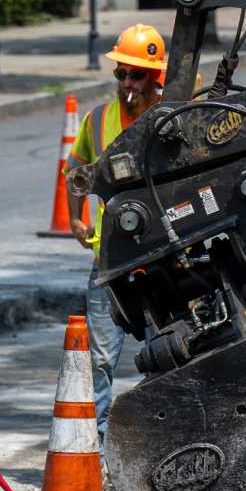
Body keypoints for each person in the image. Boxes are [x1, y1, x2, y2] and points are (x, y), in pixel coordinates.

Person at [66, 22, 167, 439]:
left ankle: (158, 434)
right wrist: (75, 216)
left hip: (163, 256)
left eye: (136, 73)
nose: (127, 82)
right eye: (121, 73)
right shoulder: (98, 120)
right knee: (101, 358)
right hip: (109, 256)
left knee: (164, 352)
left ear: (156, 75)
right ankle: (97, 443)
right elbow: (76, 170)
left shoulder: (170, 117)